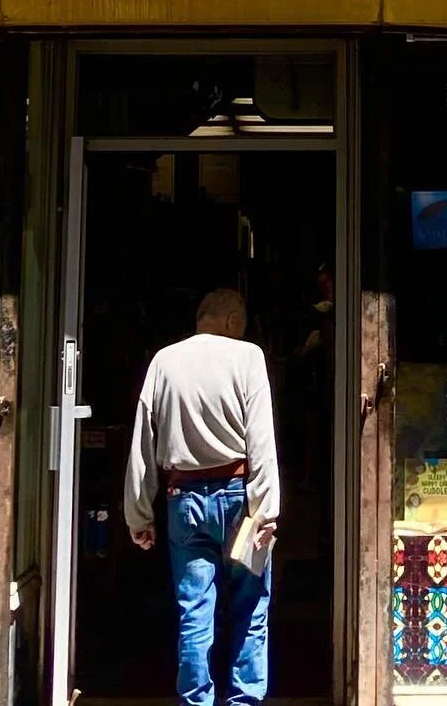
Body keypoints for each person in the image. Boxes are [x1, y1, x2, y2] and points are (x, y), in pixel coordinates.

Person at [125, 288, 280, 706]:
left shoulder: (164, 361)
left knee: (194, 610)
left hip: (183, 498)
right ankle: (244, 700)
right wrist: (266, 511)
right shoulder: (247, 357)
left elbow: (143, 441)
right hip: (238, 499)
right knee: (250, 607)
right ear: (230, 320)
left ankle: (196, 700)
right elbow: (261, 440)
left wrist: (138, 514)